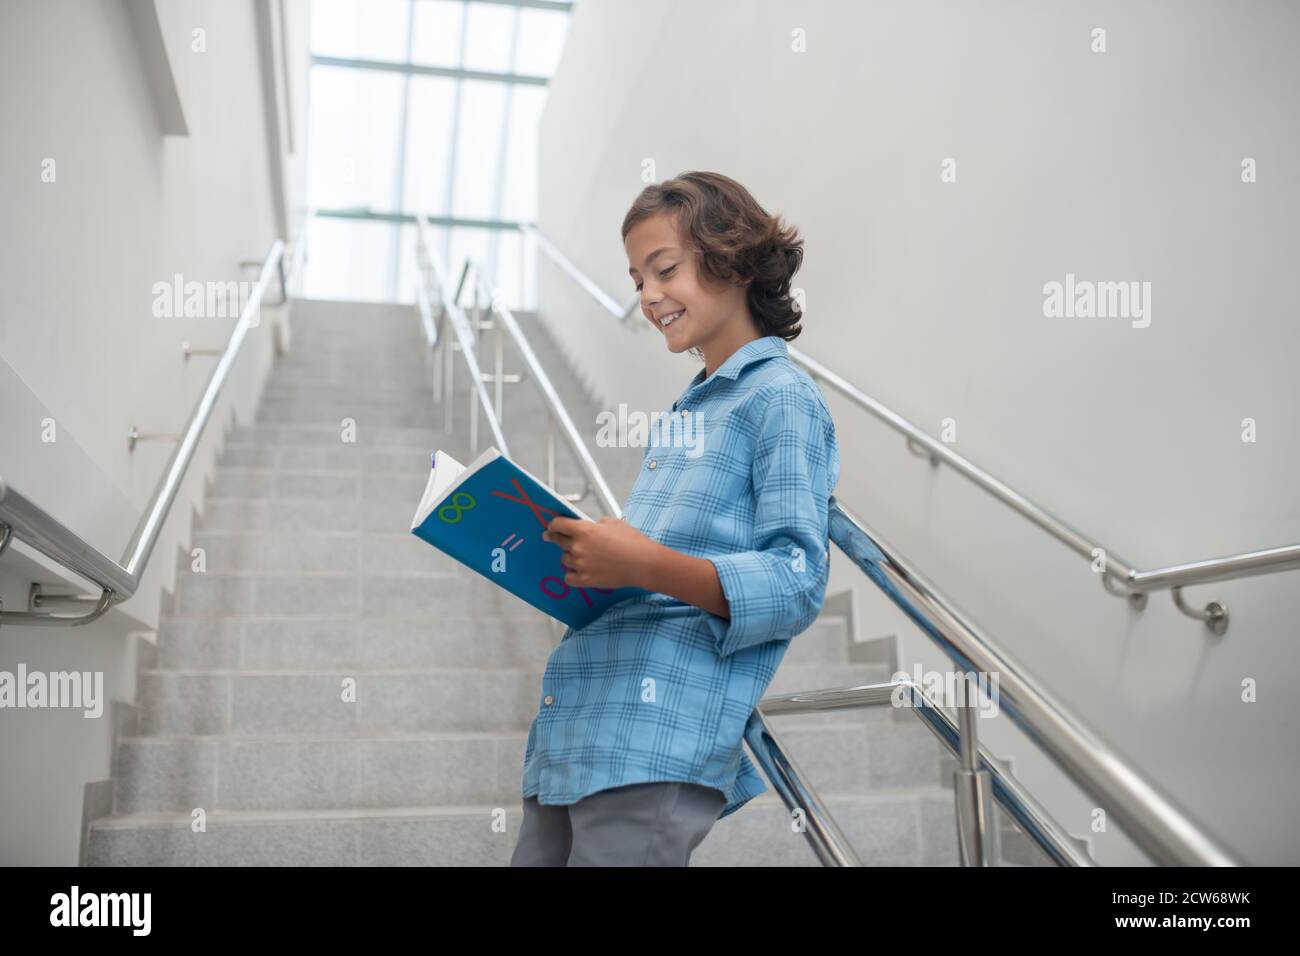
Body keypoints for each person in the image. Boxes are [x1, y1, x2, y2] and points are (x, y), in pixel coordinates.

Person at [509, 171, 841, 866]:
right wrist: (597, 559)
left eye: (664, 270)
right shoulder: (690, 412)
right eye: (636, 280)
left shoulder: (781, 399)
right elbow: (652, 569)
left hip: (654, 736)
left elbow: (797, 580)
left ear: (736, 261)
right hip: (579, 727)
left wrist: (640, 562)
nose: (648, 296)